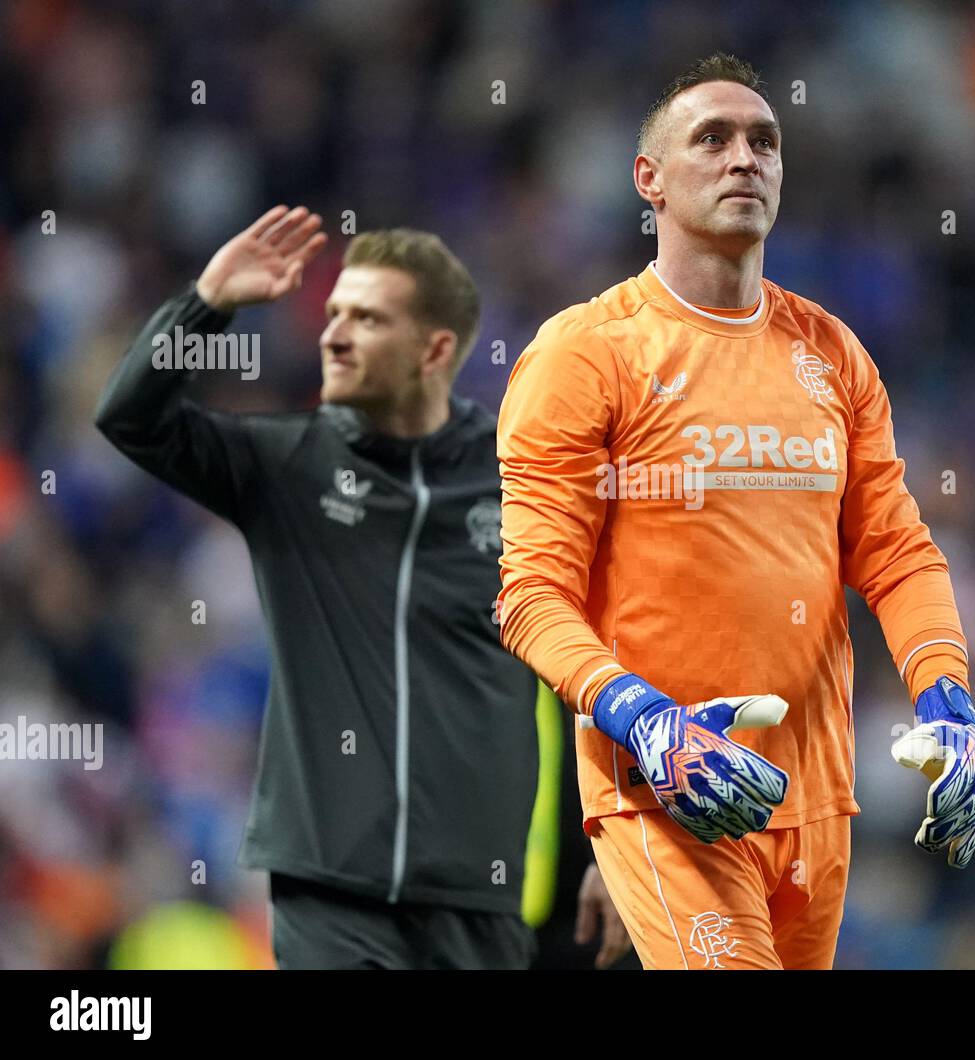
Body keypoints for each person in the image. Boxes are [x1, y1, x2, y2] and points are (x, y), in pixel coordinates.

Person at [495, 54, 975, 970]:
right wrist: (645, 719)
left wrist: (950, 697)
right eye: (712, 139)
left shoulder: (832, 353)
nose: (744, 160)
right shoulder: (585, 355)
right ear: (649, 178)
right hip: (665, 789)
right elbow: (530, 598)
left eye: (764, 141)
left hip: (815, 796)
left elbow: (897, 554)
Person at [96, 208, 629, 969]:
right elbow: (130, 417)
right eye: (335, 312)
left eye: (367, 318)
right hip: (328, 887)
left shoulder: (525, 478)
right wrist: (208, 302)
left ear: (434, 350)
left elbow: (602, 659)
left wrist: (622, 838)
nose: (333, 334)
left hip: (479, 897)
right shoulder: (287, 467)